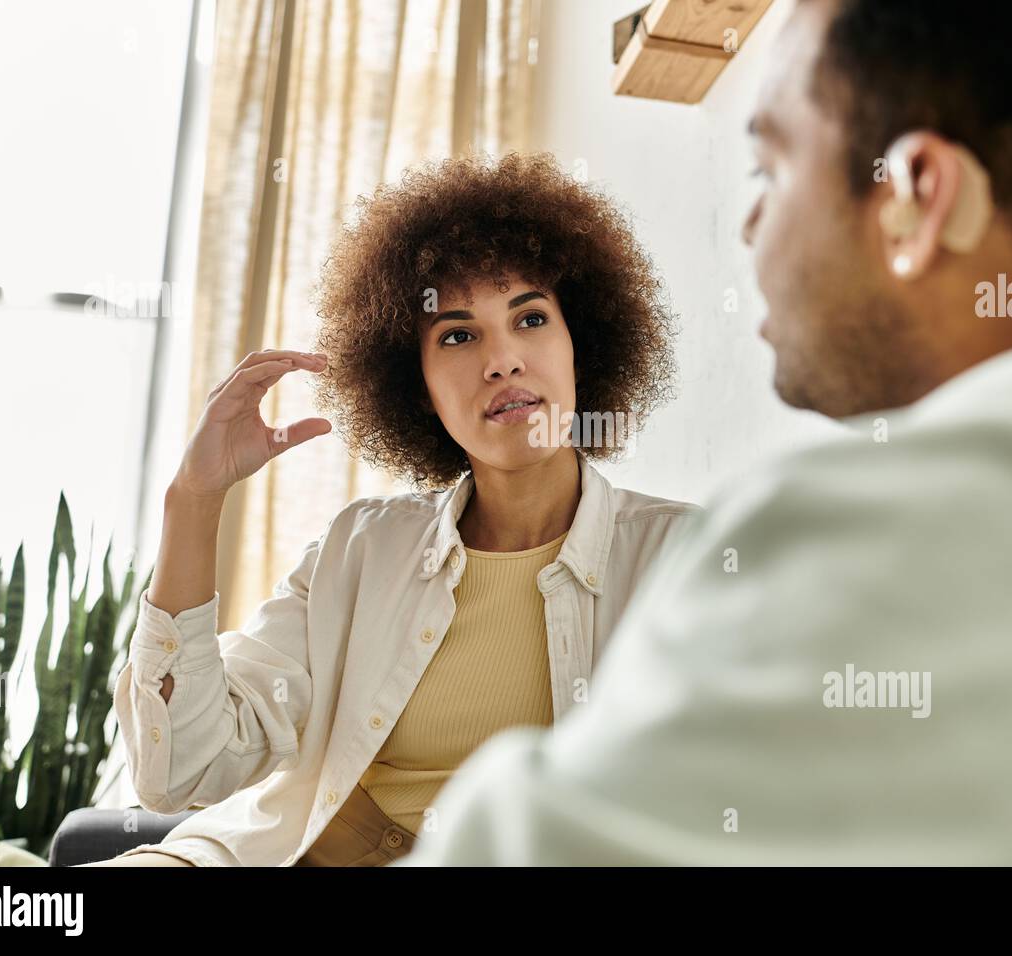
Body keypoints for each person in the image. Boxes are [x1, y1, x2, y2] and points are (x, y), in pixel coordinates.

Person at [394, 0, 1012, 865]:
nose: (752, 225)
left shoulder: (867, 528)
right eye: (457, 335)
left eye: (769, 168)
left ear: (918, 200)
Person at [82, 152, 698, 866]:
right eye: (459, 334)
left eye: (530, 317)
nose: (502, 360)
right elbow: (181, 769)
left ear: (579, 346)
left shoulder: (681, 557)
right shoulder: (361, 547)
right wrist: (193, 501)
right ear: (418, 388)